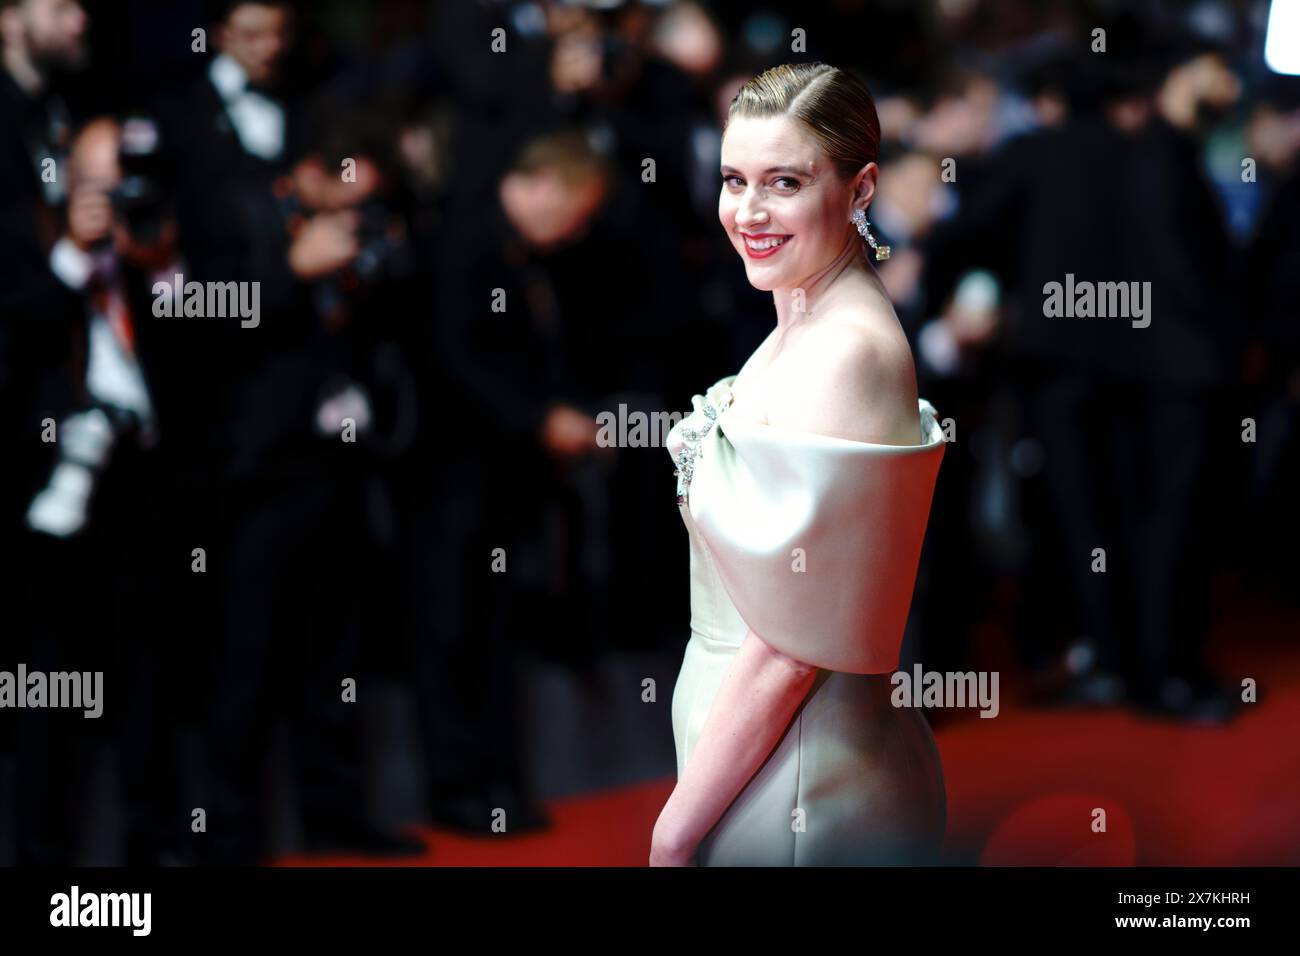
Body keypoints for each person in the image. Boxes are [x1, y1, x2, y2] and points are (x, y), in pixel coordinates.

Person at [652, 62, 947, 867]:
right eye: (733, 179)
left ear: (861, 190)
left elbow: (790, 648)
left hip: (800, 765)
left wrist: (673, 832)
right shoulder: (803, 321)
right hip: (761, 740)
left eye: (783, 181)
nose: (749, 211)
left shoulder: (845, 352)